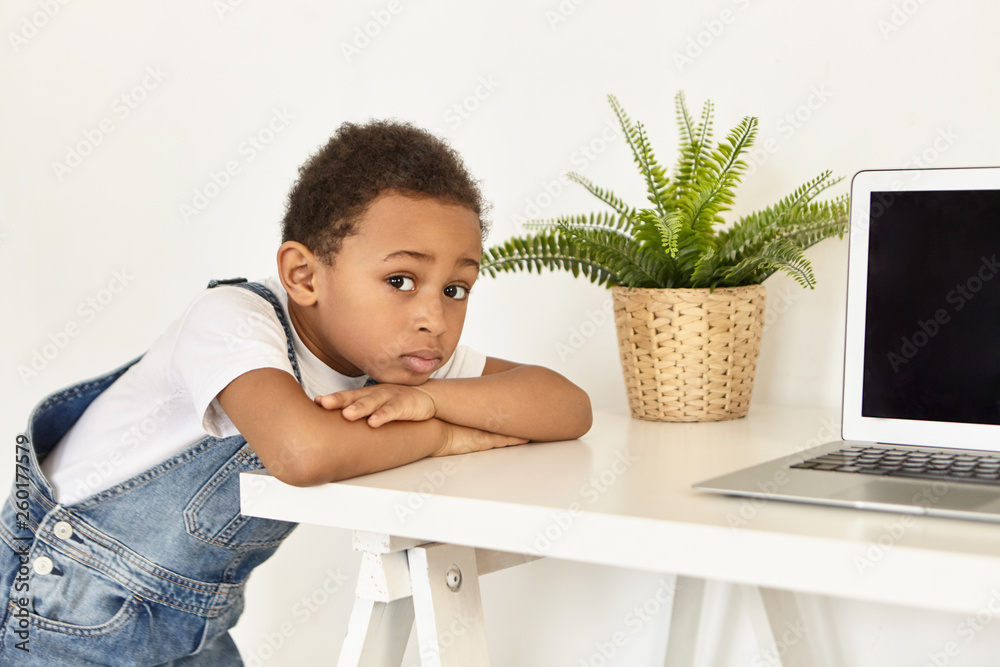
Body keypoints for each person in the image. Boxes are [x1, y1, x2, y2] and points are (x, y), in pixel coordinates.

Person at [0, 120, 592, 665]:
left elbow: (567, 405)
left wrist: (432, 398)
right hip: (63, 598)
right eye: (400, 280)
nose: (433, 317)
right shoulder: (232, 321)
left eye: (456, 289)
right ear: (304, 276)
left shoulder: (396, 357)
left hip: (185, 622)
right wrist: (445, 433)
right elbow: (301, 453)